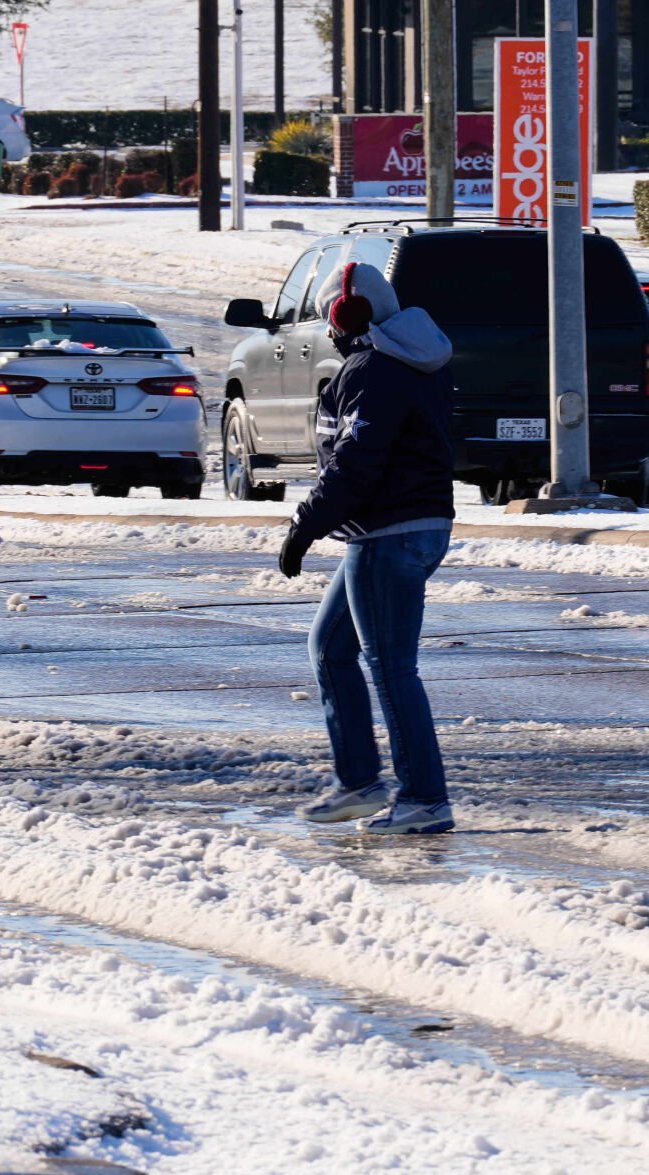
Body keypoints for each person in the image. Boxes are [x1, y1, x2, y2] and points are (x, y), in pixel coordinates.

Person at [279, 261, 458, 834]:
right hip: (407, 528)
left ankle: (425, 799)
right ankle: (358, 783)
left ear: (344, 316)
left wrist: (304, 526)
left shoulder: (372, 370)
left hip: (389, 533)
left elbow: (356, 464)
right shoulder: (411, 360)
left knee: (391, 667)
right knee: (331, 649)